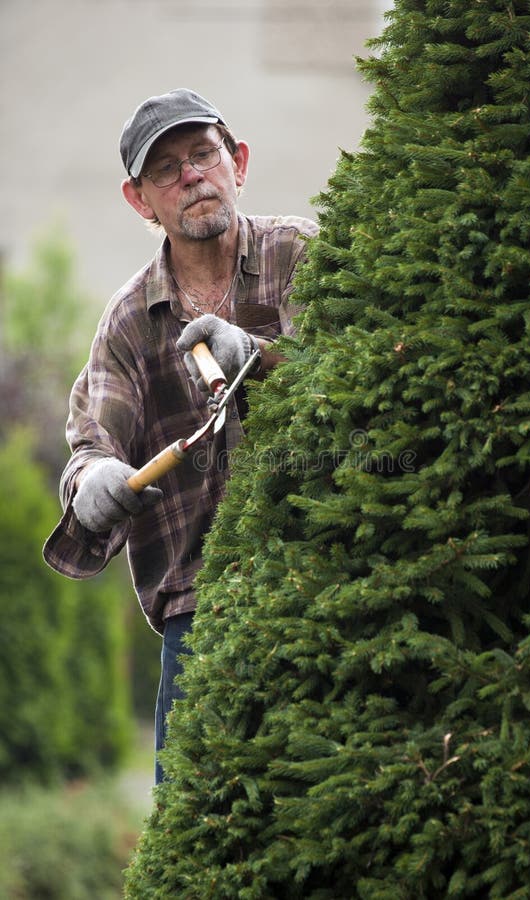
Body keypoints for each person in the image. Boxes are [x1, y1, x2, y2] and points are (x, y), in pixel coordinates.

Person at [43, 88, 318, 783]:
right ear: (141, 201)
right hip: (201, 610)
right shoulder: (131, 321)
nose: (192, 176)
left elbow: (363, 376)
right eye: (166, 169)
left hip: (328, 579)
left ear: (239, 162)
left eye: (204, 154)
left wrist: (257, 356)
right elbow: (92, 445)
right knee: (198, 830)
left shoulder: (300, 254)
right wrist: (92, 481)